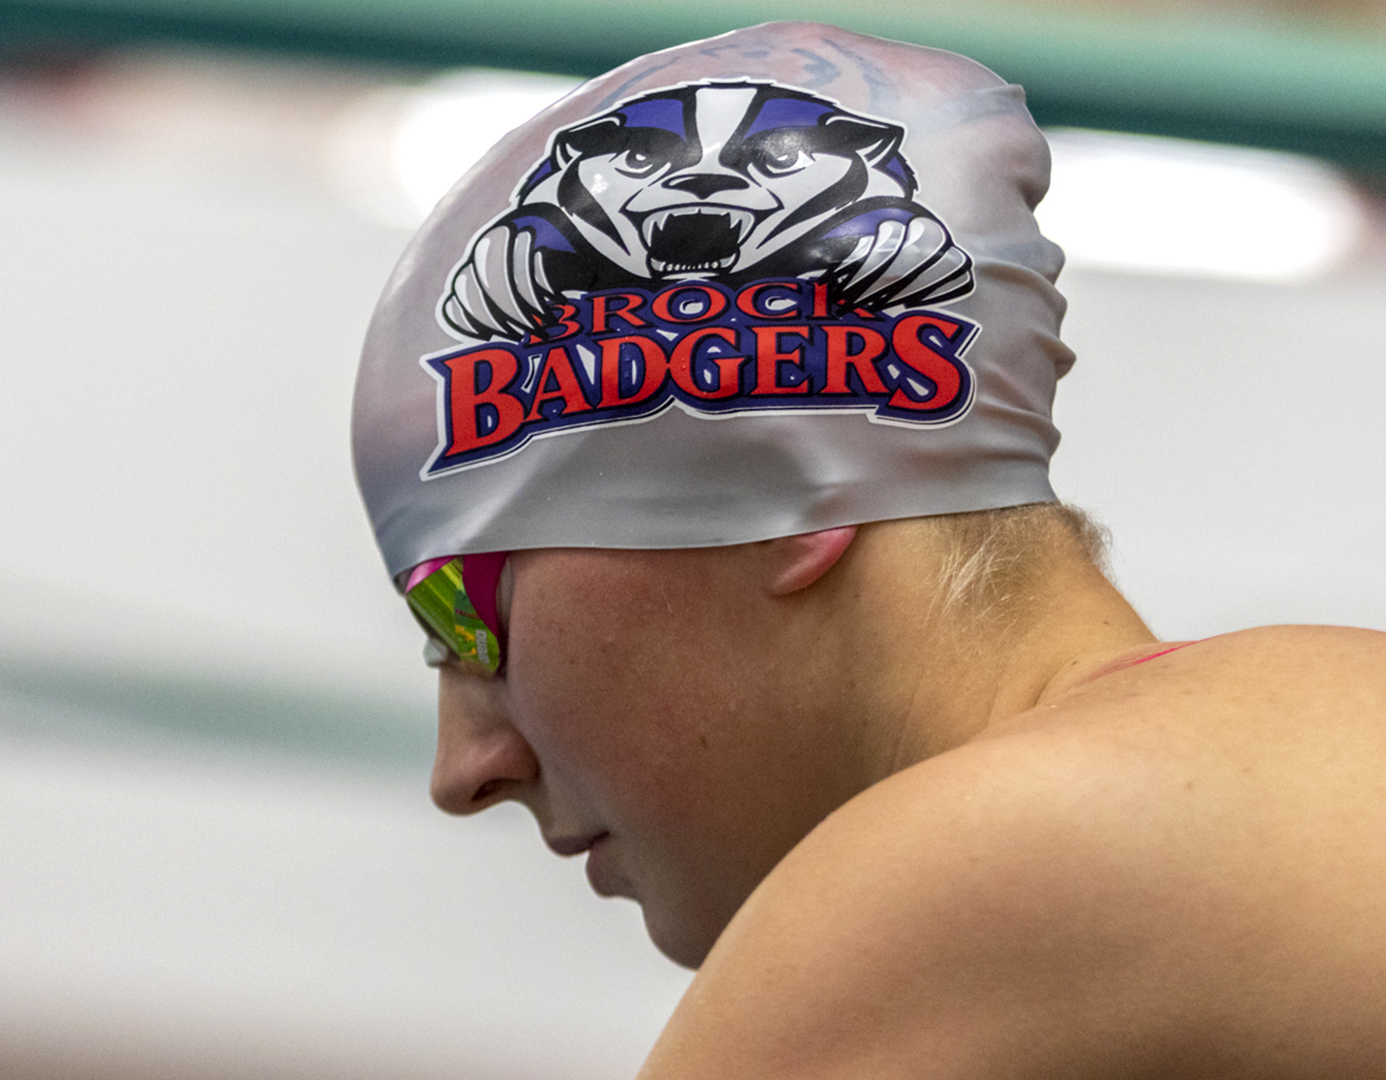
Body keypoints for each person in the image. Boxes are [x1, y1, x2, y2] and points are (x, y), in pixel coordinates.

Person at [351, 21, 1386, 1077]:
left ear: (781, 492)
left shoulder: (990, 868)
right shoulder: (1319, 726)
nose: (464, 768)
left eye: (462, 620)